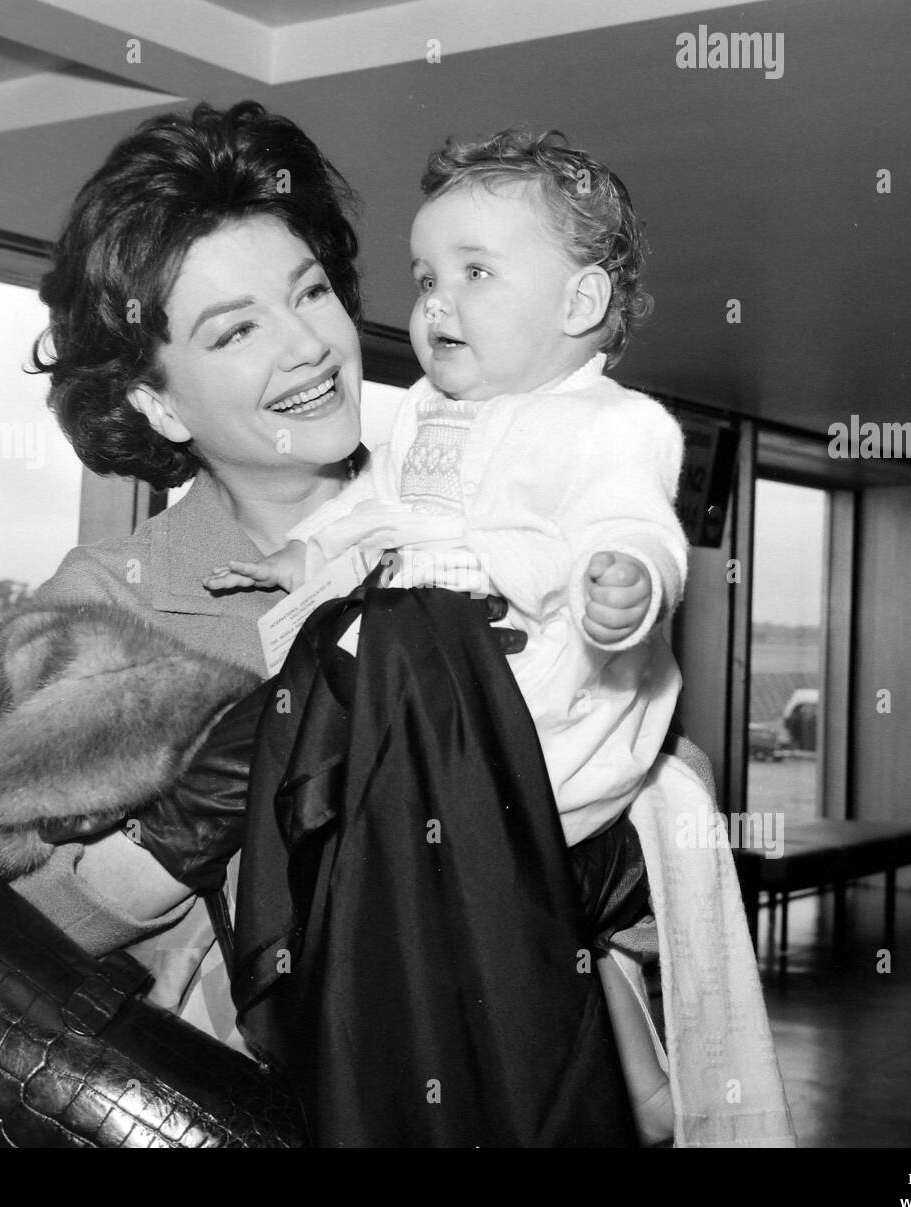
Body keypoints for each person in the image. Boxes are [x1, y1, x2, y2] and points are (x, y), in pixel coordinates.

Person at [0, 99, 795, 1148]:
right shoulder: (109, 603)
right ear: (160, 403)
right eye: (235, 329)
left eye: (310, 293)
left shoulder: (486, 510)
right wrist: (201, 815)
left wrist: (599, 857)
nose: (306, 347)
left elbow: (642, 808)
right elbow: (16, 931)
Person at [213, 127, 687, 856]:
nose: (436, 302)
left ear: (579, 301)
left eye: (476, 274)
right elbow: (375, 501)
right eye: (426, 279)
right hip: (425, 670)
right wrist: (310, 552)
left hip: (550, 680)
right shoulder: (425, 408)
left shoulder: (611, 423)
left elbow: (636, 523)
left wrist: (632, 581)